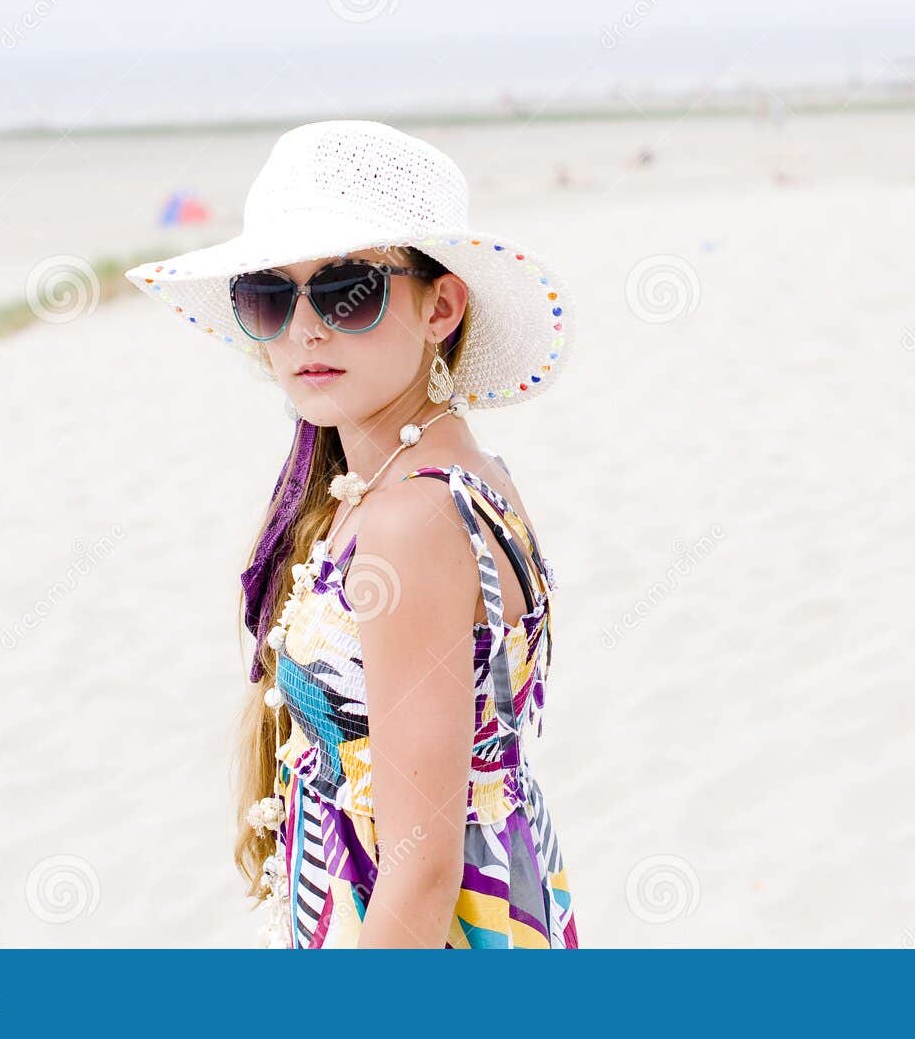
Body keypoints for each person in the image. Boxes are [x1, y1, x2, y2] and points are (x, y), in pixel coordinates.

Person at [123, 120, 579, 949]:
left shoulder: (410, 522)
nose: (306, 328)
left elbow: (421, 872)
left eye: (347, 290)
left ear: (441, 306)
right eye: (270, 295)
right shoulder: (451, 478)